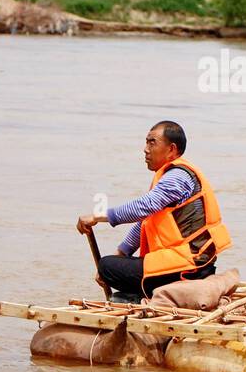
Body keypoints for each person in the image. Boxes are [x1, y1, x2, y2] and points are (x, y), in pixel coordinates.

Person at [77, 121, 231, 300]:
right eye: (146, 142)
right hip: (189, 262)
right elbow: (146, 220)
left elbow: (145, 206)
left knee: (106, 266)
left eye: (152, 142)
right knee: (113, 263)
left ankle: (141, 294)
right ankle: (138, 292)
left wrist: (98, 216)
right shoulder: (170, 175)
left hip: (189, 266)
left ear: (171, 149)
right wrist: (122, 253)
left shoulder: (177, 177)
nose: (145, 149)